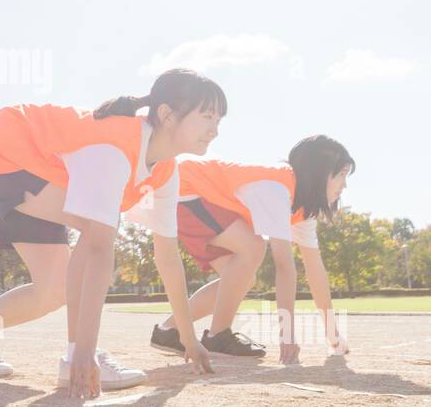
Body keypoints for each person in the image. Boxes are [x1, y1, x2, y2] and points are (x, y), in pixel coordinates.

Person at [0, 69, 226, 398]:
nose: (215, 130)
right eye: (207, 116)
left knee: (52, 289)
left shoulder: (165, 172)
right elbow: (97, 248)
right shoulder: (113, 150)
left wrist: (189, 339)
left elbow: (167, 258)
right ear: (166, 114)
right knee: (95, 228)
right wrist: (83, 352)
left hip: (43, 168)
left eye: (219, 119)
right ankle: (74, 357)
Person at [151, 137, 354, 363]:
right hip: (182, 188)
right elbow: (284, 267)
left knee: (241, 277)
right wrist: (287, 336)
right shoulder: (277, 189)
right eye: (342, 175)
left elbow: (315, 271)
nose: (345, 185)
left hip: (195, 197)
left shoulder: (302, 210)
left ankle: (168, 330)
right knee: (253, 247)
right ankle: (218, 335)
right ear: (319, 172)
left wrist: (332, 334)